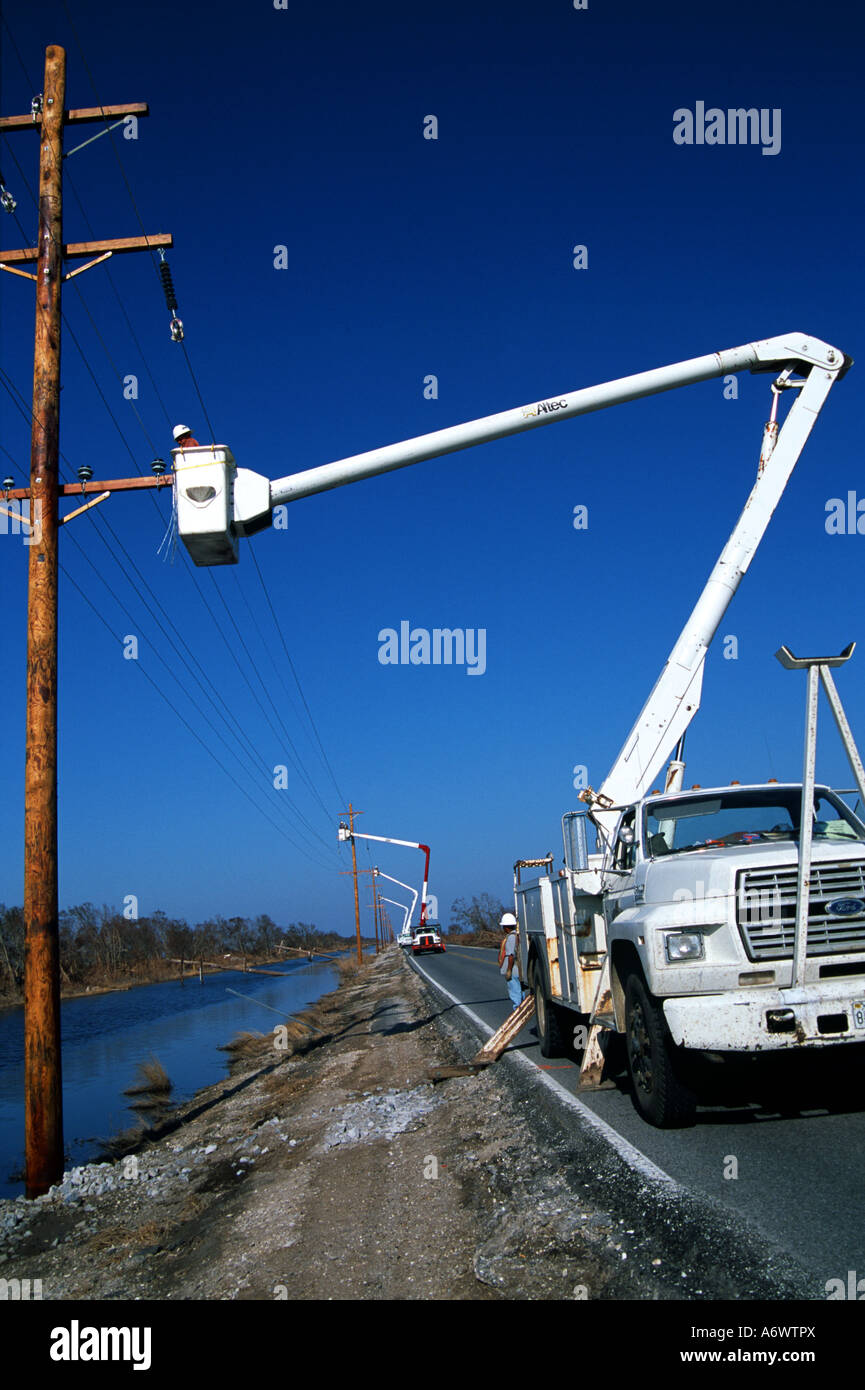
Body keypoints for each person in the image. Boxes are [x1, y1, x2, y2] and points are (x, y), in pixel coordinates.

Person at [499, 911, 523, 1011]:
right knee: (519, 992)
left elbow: (510, 956)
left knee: (515, 993)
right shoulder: (516, 936)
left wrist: (509, 970)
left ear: (506, 927)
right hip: (517, 969)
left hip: (513, 970)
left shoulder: (511, 938)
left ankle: (517, 1012)